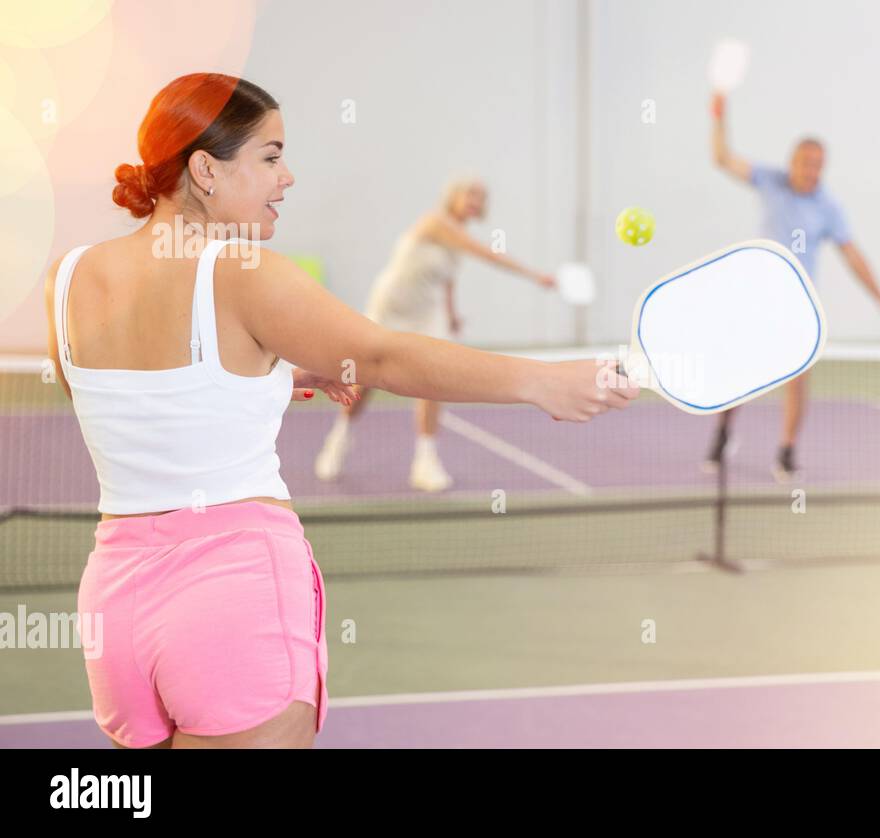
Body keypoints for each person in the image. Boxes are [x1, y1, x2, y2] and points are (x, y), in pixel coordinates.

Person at [45, 73, 635, 748]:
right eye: (270, 155)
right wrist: (544, 382)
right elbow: (382, 357)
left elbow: (126, 400)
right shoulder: (243, 271)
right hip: (231, 596)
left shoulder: (69, 277)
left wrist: (266, 379)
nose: (287, 176)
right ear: (206, 169)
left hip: (115, 605)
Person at [707, 92, 880, 480]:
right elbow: (722, 158)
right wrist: (718, 118)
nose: (812, 170)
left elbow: (853, 256)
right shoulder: (768, 180)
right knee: (738, 370)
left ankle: (786, 450)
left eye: (819, 165)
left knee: (798, 378)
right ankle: (723, 432)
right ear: (792, 162)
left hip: (797, 305)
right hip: (755, 296)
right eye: (806, 162)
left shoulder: (829, 208)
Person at [313, 178, 556, 491]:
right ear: (453, 196)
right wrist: (536, 276)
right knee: (366, 379)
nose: (474, 200)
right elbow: (488, 255)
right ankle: (339, 438)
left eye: (480, 197)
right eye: (469, 193)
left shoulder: (458, 238)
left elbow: (447, 279)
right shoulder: (435, 223)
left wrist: (452, 315)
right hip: (392, 304)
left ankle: (425, 462)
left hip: (427, 312)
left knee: (433, 381)